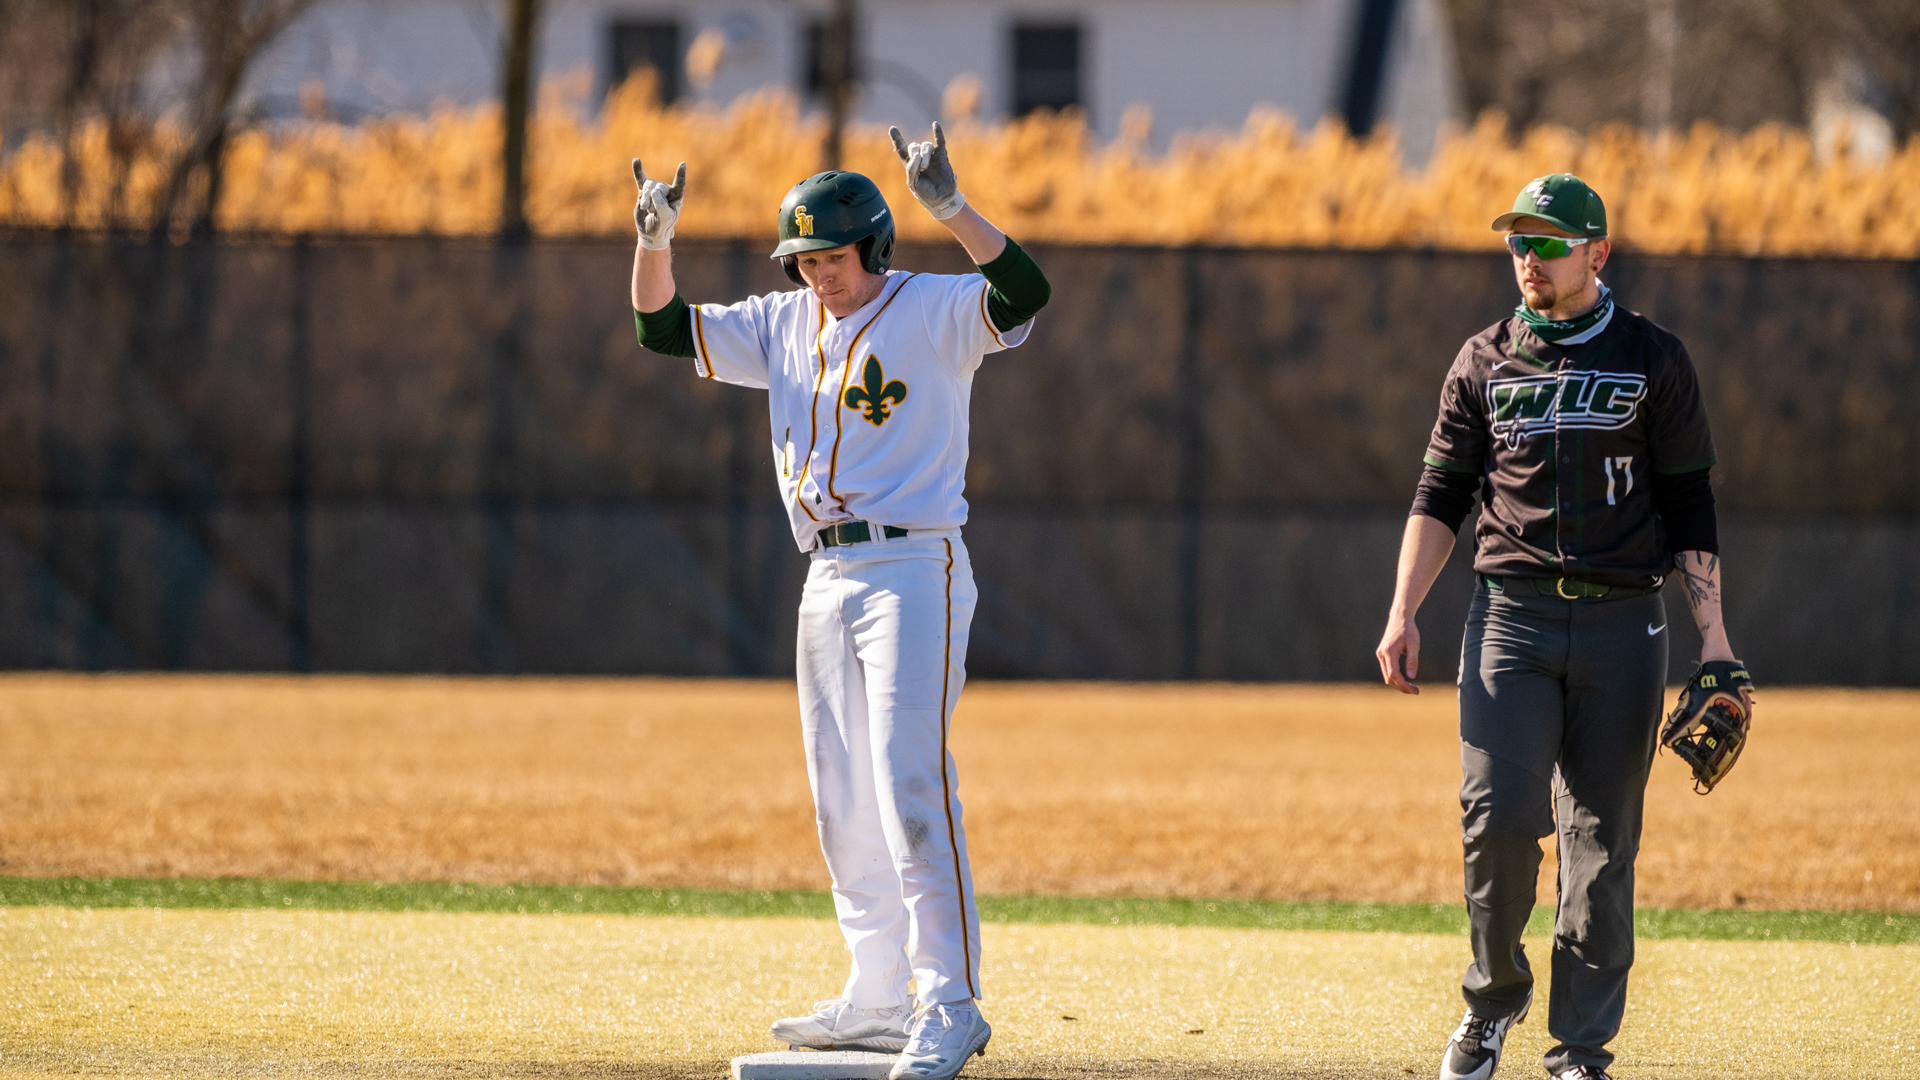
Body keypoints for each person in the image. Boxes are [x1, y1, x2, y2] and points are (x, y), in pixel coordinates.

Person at [627, 124, 1049, 1080]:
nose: (816, 270)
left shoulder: (932, 310)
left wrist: (951, 207)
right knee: (841, 800)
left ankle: (949, 1002)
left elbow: (1025, 292)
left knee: (909, 782)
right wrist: (653, 241)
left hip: (915, 566)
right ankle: (876, 994)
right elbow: (661, 328)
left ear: (875, 246)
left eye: (830, 252)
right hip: (826, 573)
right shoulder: (782, 323)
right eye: (802, 256)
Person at [1373, 174, 1753, 1080]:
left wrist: (1716, 639)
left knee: (1600, 844)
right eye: (1518, 242)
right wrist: (1402, 611)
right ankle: (1493, 1002)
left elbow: (1689, 500)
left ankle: (1581, 1049)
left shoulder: (1652, 358)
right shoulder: (1483, 358)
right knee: (1498, 819)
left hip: (1626, 624)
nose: (1528, 258)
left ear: (1598, 252)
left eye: (1548, 242)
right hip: (1510, 621)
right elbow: (1441, 494)